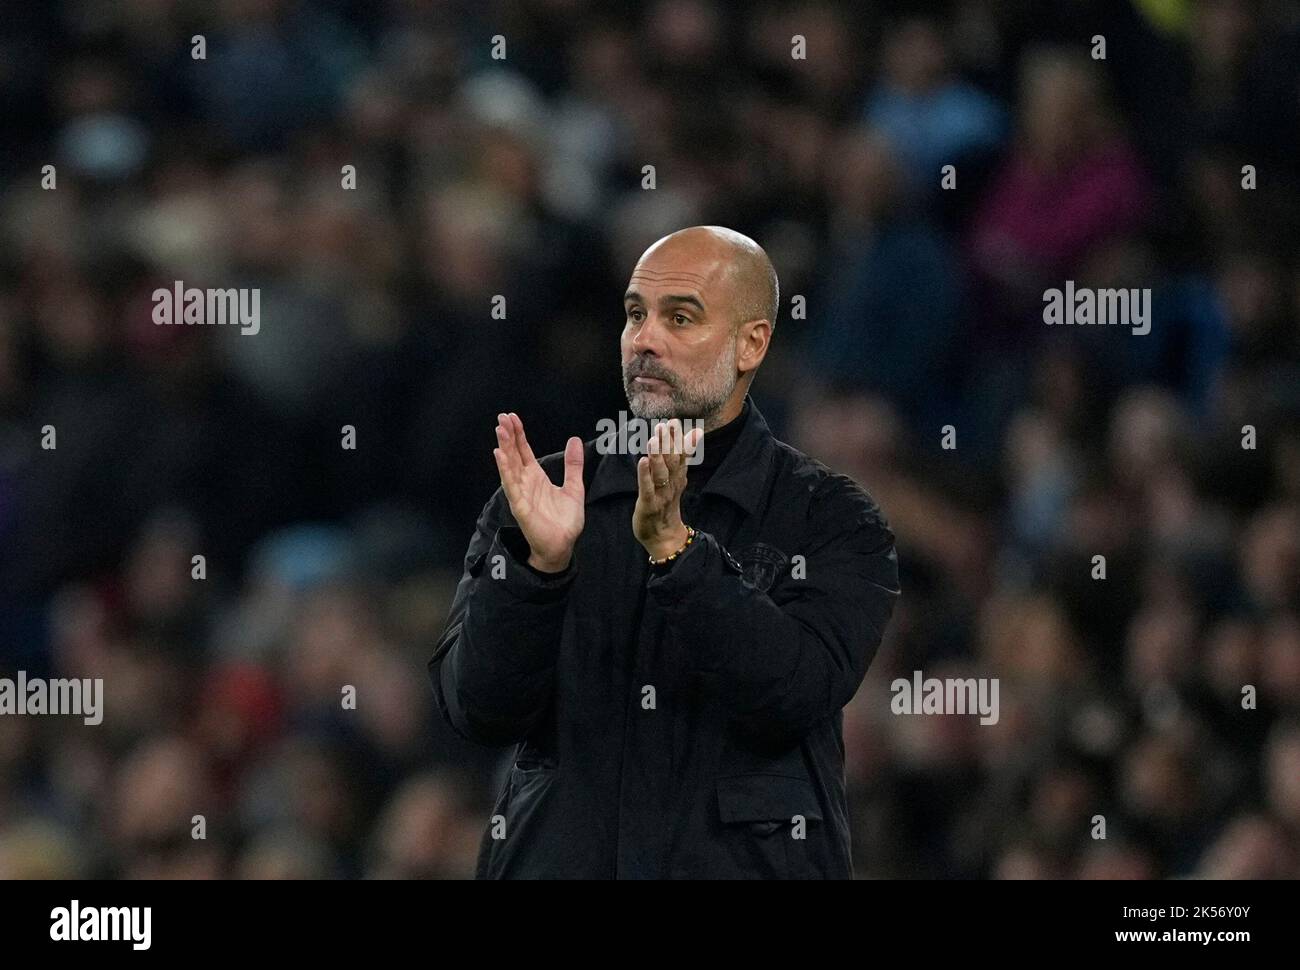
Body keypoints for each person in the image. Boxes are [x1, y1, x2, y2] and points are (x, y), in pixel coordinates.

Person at [428, 225, 900, 878]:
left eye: (680, 317)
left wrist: (678, 556)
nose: (645, 339)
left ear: (751, 342)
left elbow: (790, 693)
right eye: (635, 315)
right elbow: (476, 708)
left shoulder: (830, 518)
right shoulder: (547, 496)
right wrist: (537, 571)